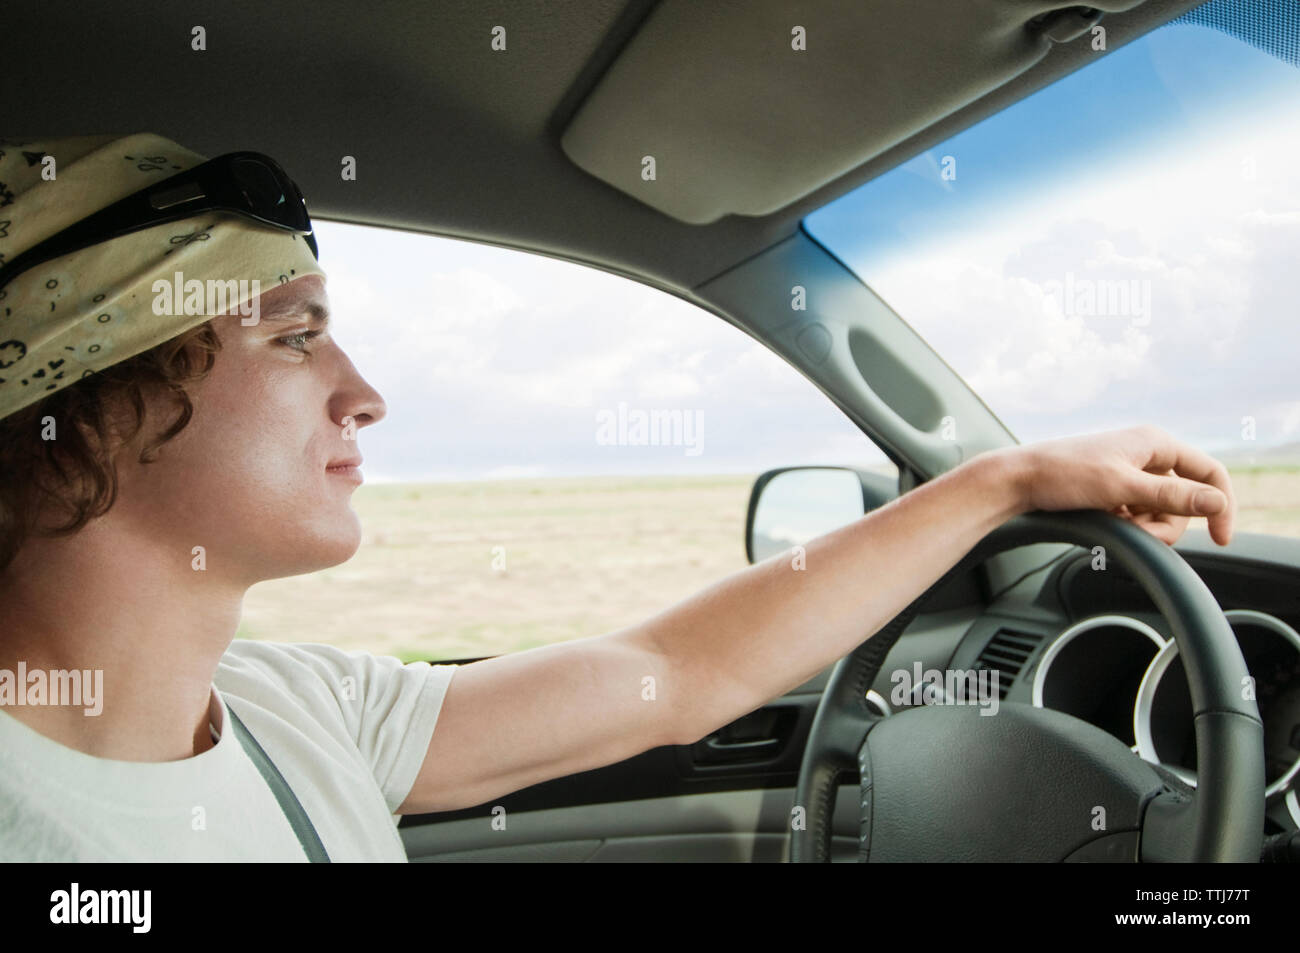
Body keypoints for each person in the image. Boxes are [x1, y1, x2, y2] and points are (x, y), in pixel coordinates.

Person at [0, 133, 1236, 862]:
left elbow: (672, 669)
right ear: (89, 393)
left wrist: (999, 482)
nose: (364, 393)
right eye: (291, 339)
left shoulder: (294, 712)